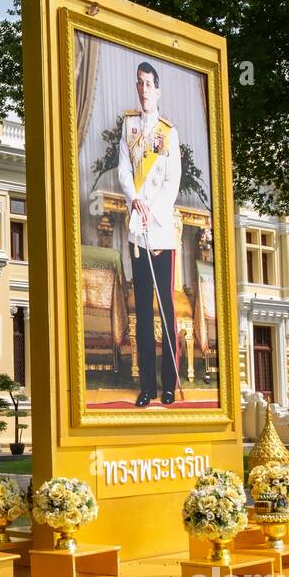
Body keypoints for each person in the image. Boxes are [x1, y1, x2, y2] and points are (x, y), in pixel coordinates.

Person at [117, 60, 183, 406]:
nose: (143, 89)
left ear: (157, 90)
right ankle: (147, 387)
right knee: (141, 311)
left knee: (166, 310)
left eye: (149, 84)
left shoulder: (168, 132)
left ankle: (169, 384)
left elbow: (173, 181)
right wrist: (135, 200)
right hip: (136, 231)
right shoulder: (129, 126)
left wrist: (152, 215)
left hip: (160, 232)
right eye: (139, 83)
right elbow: (124, 170)